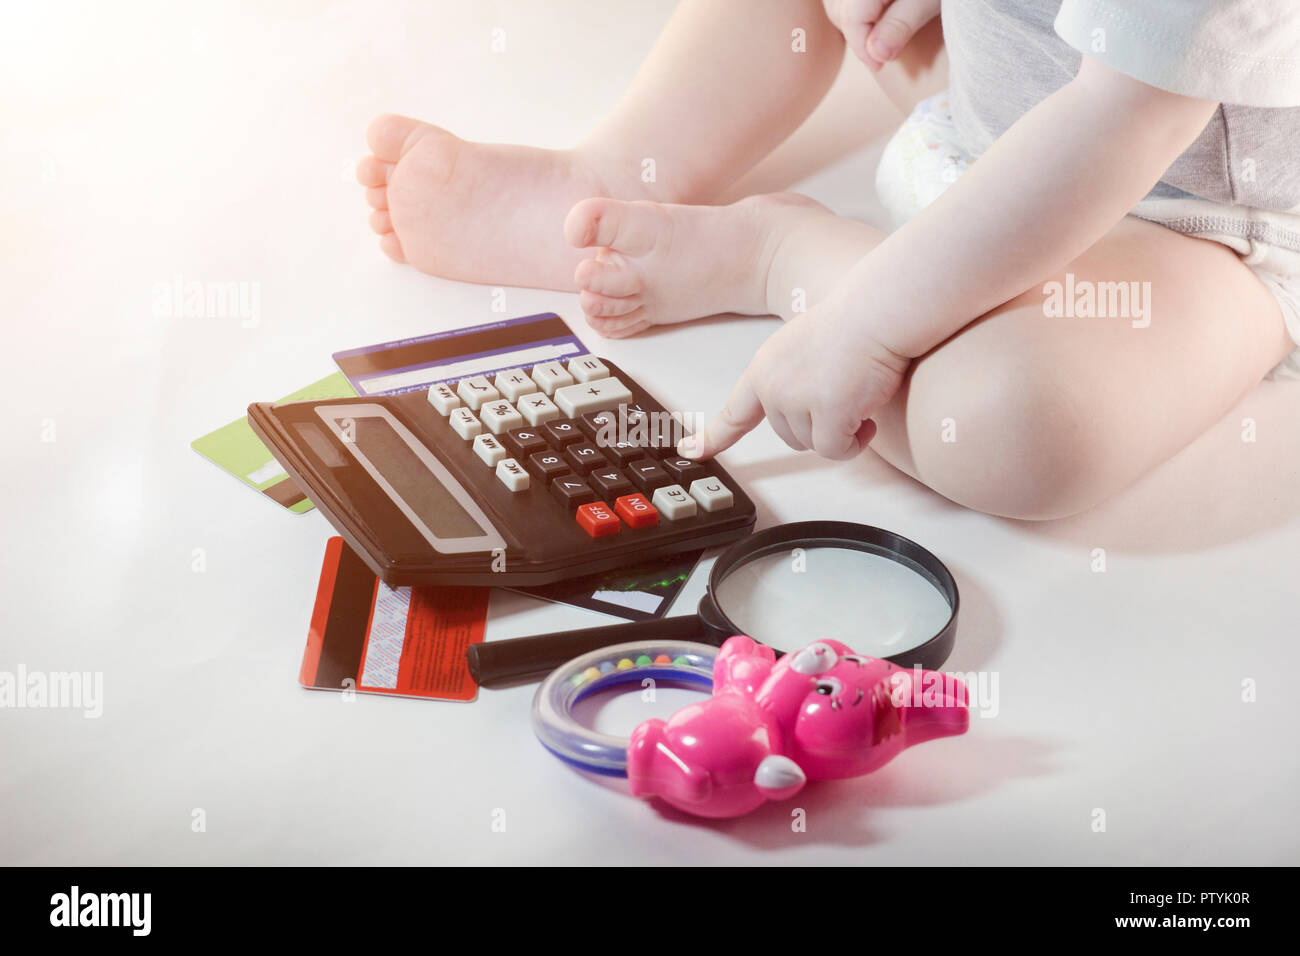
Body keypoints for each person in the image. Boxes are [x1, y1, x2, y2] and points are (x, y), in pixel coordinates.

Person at [357, 0, 1300, 520]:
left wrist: (864, 321)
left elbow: (1117, 121)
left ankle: (784, 253)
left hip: (1199, 222)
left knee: (1012, 427)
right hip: (989, 101)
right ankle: (617, 168)